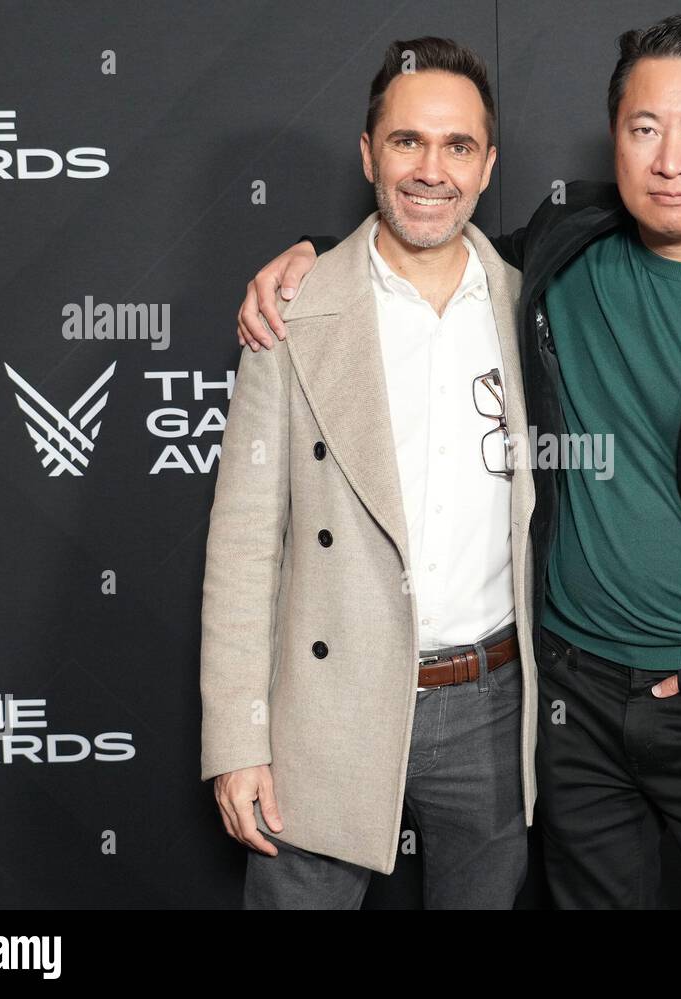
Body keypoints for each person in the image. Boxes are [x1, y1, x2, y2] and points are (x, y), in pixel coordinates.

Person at [235, 15, 681, 909]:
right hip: (570, 712)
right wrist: (309, 257)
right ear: (616, 137)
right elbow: (421, 248)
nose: (671, 158)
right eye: (645, 128)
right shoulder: (566, 241)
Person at [200, 36, 537, 909]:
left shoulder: (530, 304)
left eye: (458, 146)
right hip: (326, 702)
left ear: (489, 164)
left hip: (494, 709)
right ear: (368, 153)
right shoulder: (295, 308)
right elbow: (243, 544)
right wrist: (239, 740)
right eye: (407, 142)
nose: (433, 169)